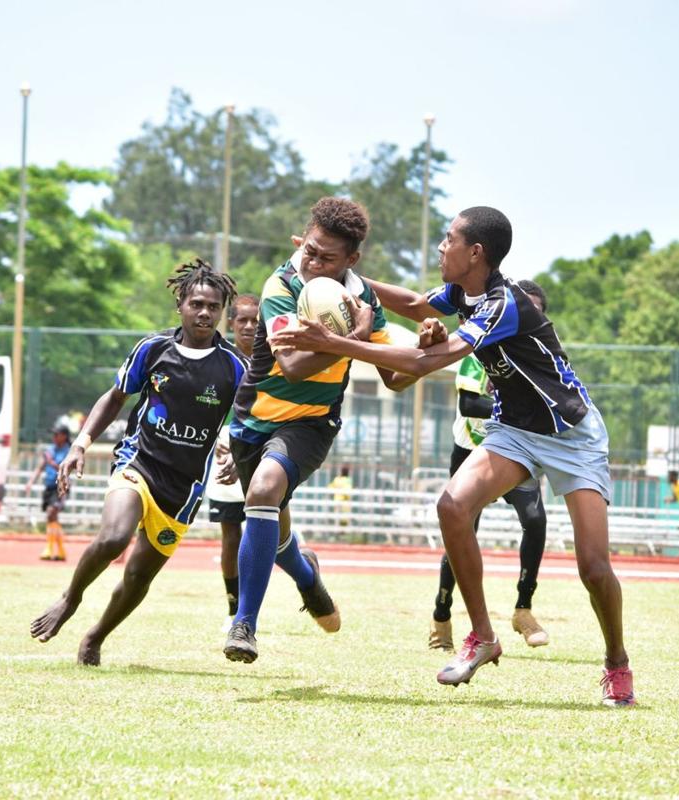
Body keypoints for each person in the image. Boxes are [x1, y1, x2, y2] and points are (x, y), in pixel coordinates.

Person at [272, 206, 636, 706]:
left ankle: (617, 661)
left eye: (449, 239)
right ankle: (483, 637)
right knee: (453, 507)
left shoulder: (501, 305)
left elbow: (427, 359)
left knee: (593, 568)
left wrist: (335, 341)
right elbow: (417, 305)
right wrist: (345, 275)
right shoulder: (464, 293)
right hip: (514, 430)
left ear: (475, 253)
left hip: (573, 435)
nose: (441, 247)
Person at [222, 197, 420, 664]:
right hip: (254, 421)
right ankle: (308, 576)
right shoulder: (281, 286)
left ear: (352, 260)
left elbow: (394, 378)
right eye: (310, 250)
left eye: (327, 257)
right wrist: (354, 339)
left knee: (265, 493)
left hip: (312, 422)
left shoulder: (363, 299)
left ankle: (243, 624)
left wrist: (422, 357)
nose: (313, 262)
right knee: (276, 533)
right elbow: (291, 365)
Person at [29, 260, 246, 665]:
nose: (204, 312)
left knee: (139, 576)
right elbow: (115, 397)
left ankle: (95, 637)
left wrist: (237, 450)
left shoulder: (234, 366)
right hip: (138, 462)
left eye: (213, 306)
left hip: (184, 487)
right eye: (196, 303)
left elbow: (250, 420)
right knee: (114, 538)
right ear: (180, 304)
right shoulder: (152, 349)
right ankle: (70, 597)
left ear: (222, 312)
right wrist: (80, 443)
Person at [360, 272, 553, 653]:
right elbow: (467, 403)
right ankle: (442, 613)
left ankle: (523, 609)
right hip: (472, 450)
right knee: (460, 534)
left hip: (517, 448)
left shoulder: (536, 358)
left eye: (534, 315)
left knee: (535, 520)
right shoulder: (478, 349)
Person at [205, 294, 260, 628]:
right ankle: (234, 609)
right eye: (243, 320)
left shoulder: (275, 357)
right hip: (226, 446)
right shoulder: (220, 359)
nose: (250, 326)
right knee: (231, 533)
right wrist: (215, 443)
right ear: (232, 323)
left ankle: (303, 574)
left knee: (268, 531)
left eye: (256, 320)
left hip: (266, 445)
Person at [26, 423, 72, 561]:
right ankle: (61, 551)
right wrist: (30, 482)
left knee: (51, 512)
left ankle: (49, 549)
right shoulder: (50, 449)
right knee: (52, 518)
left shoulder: (68, 451)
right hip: (49, 487)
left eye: (56, 434)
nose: (54, 437)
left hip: (61, 487)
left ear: (64, 436)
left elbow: (66, 470)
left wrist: (51, 462)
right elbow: (40, 467)